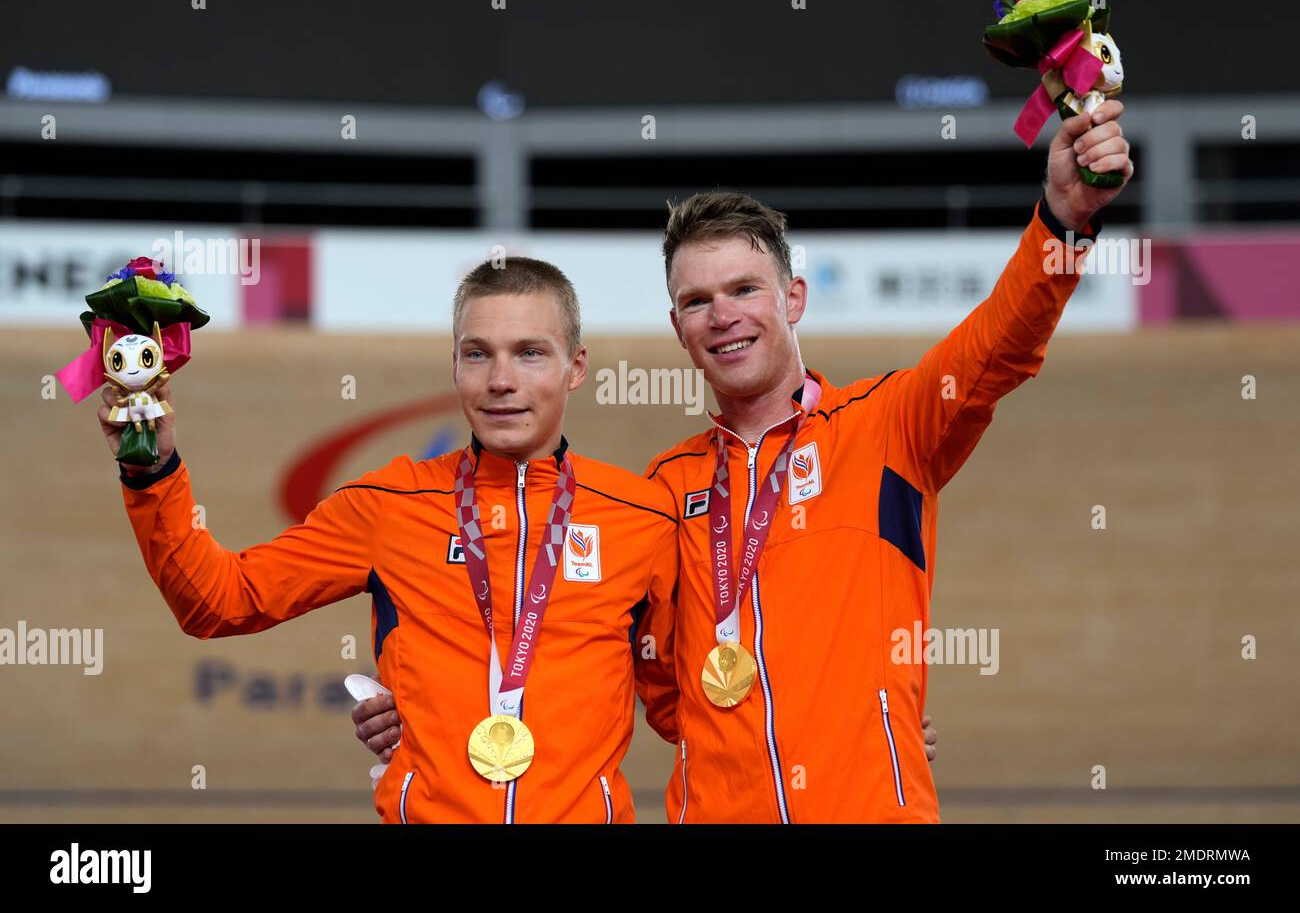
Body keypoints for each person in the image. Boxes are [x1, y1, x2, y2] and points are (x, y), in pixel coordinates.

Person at [354, 100, 1132, 822]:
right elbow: (618, 669)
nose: (722, 315)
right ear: (678, 327)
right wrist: (436, 711)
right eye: (696, 302)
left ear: (793, 298)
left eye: (744, 290)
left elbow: (1001, 346)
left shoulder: (890, 426)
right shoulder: (663, 491)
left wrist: (1063, 222)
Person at [103, 258, 680, 823]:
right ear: (454, 365)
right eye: (478, 354)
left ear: (575, 367)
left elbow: (687, 709)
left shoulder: (643, 518)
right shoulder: (388, 504)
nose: (501, 381)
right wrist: (152, 472)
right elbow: (218, 601)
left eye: (530, 353)